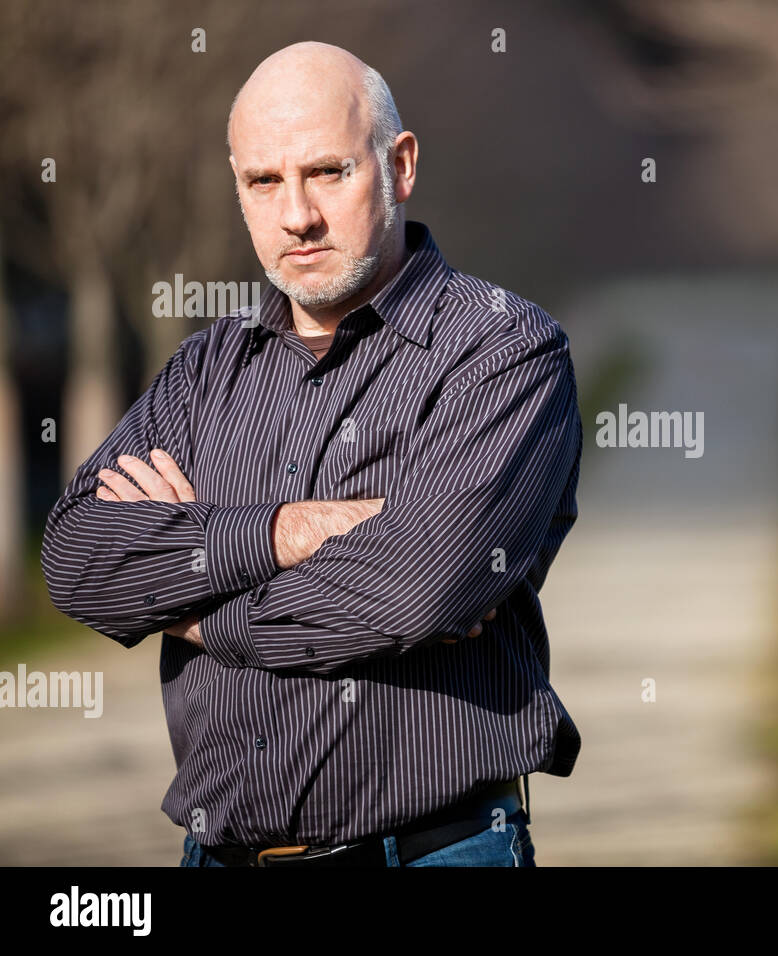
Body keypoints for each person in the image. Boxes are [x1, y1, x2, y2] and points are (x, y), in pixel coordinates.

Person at [40, 41, 583, 867]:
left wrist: (192, 609)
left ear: (399, 165)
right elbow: (77, 558)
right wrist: (286, 533)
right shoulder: (202, 374)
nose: (296, 215)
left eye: (328, 172)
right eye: (264, 181)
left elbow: (419, 591)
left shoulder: (502, 352)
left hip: (434, 853)